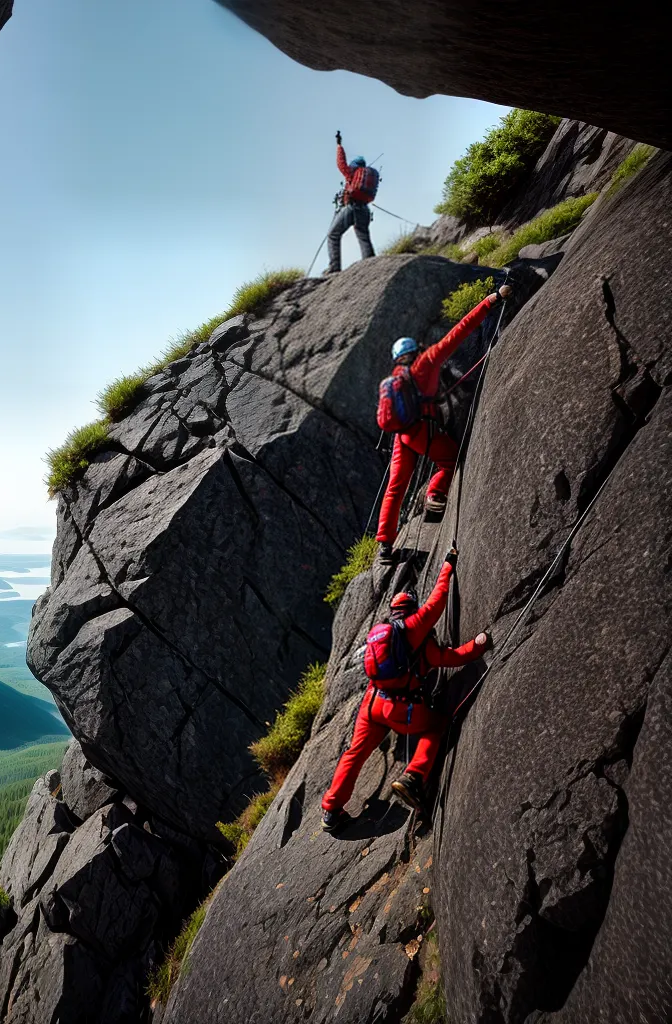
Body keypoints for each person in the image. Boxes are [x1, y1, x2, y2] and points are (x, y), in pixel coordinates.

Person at [320, 549, 491, 833]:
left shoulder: (381, 631)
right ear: (410, 609)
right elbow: (441, 614)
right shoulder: (413, 629)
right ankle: (413, 777)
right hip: (403, 709)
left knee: (356, 752)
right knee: (434, 727)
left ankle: (331, 809)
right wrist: (448, 566)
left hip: (372, 703)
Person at [375, 283, 513, 565]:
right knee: (449, 461)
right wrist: (490, 301)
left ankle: (385, 547)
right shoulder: (426, 361)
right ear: (415, 350)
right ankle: (435, 495)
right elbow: (458, 332)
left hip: (401, 436)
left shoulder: (394, 376)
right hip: (423, 431)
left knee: (395, 488)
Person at [324, 131, 377, 274]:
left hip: (351, 208)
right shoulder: (367, 176)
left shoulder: (351, 172)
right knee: (363, 236)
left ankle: (334, 268)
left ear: (354, 166)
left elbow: (341, 163)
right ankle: (371, 263)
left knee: (333, 235)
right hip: (364, 209)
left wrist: (339, 145)